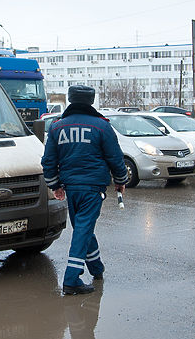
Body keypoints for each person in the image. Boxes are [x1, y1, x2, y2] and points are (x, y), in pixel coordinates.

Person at [41, 85, 129, 295]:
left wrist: (54, 185)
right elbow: (115, 158)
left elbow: (48, 161)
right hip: (92, 188)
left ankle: (96, 268)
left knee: (83, 227)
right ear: (91, 101)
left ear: (71, 100)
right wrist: (121, 180)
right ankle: (71, 279)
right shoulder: (102, 126)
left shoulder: (56, 126)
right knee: (83, 229)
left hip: (71, 188)